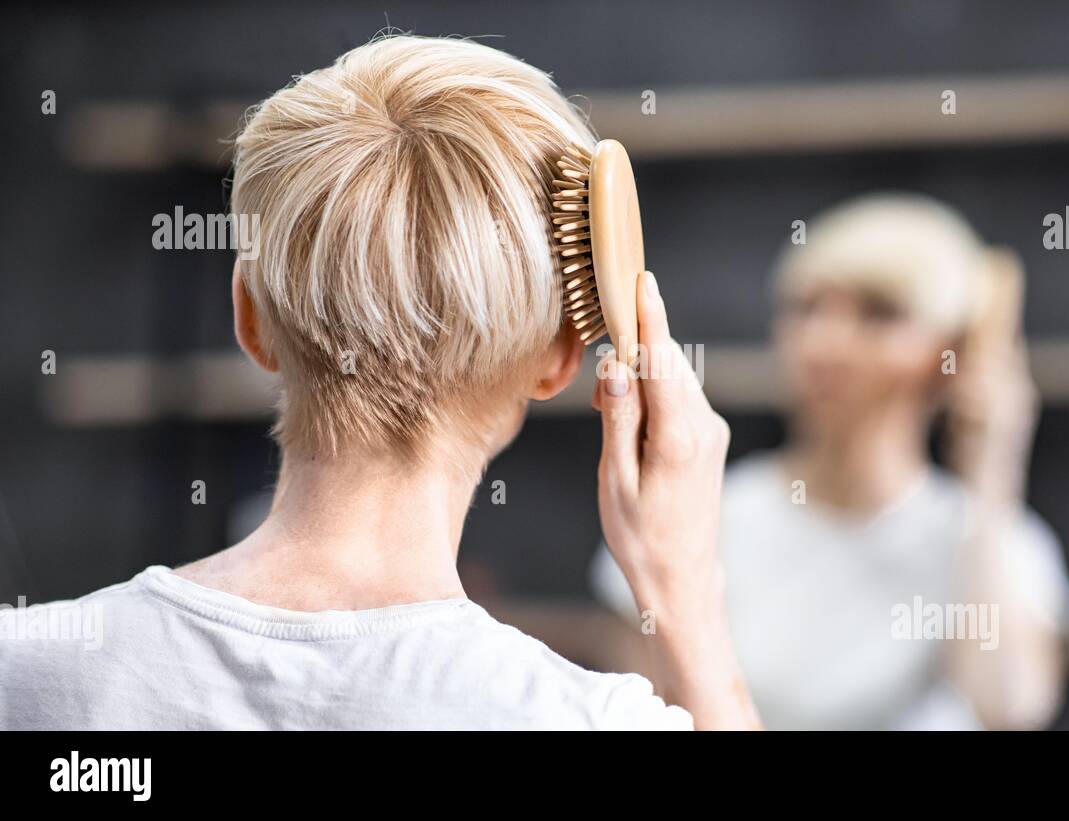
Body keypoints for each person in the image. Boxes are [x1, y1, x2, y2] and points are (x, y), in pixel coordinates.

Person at [0, 35, 759, 731]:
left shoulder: (27, 669)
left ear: (248, 316)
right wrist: (682, 590)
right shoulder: (582, 718)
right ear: (560, 360)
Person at [592, 194, 1069, 729]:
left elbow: (1011, 705)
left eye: (879, 314)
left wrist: (992, 472)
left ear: (954, 356)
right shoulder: (698, 519)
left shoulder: (993, 542)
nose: (825, 342)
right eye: (808, 308)